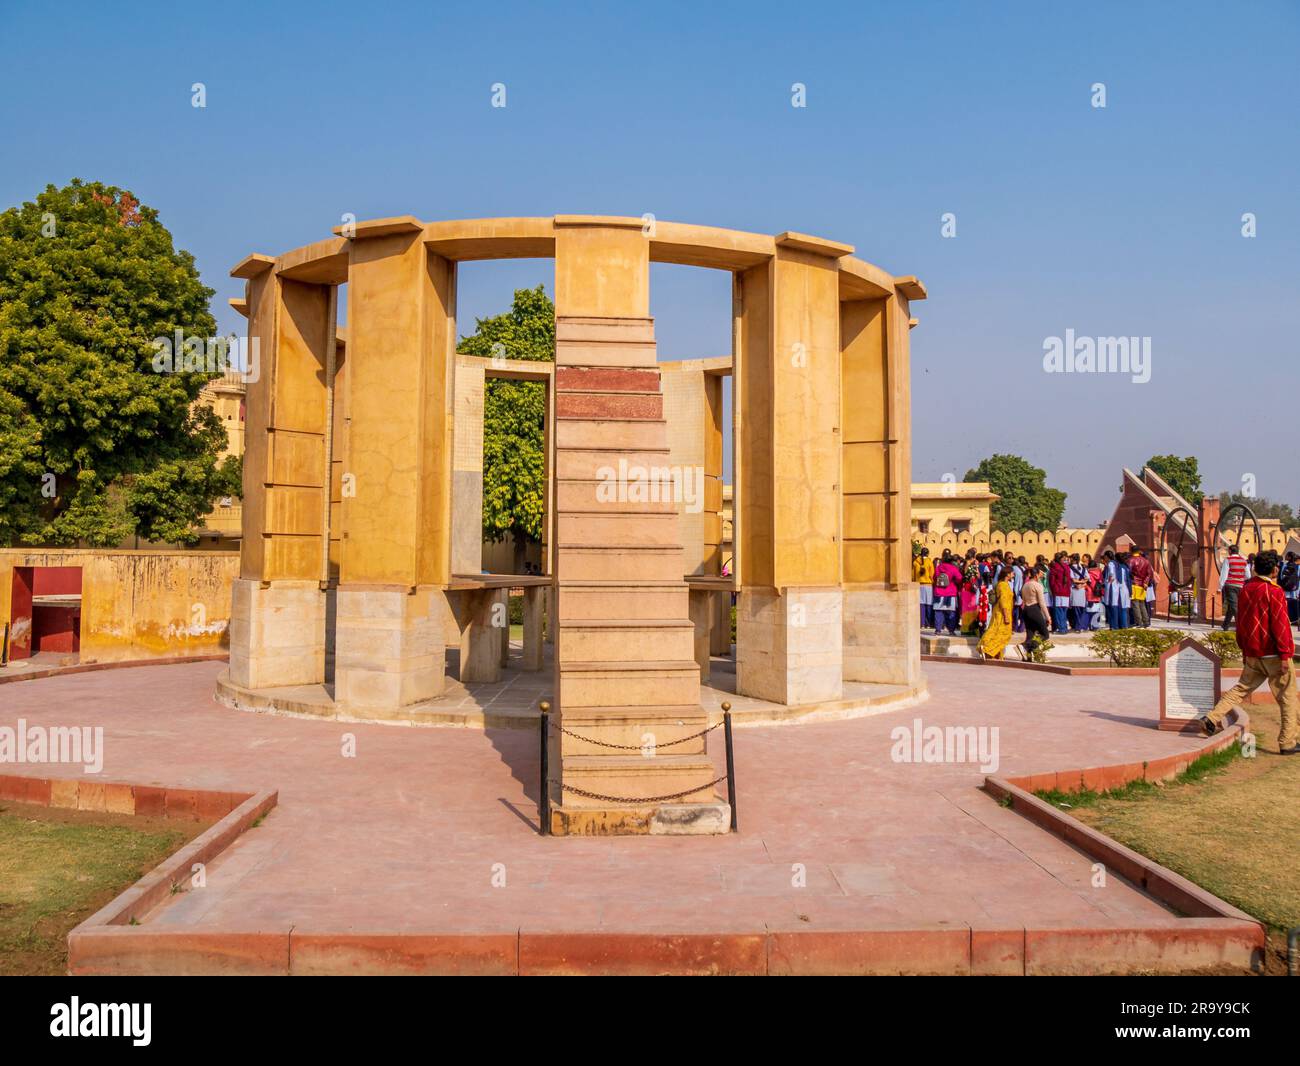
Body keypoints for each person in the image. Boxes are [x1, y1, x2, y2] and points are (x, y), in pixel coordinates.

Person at [1202, 550, 1298, 755]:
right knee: (1287, 697)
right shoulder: (1274, 591)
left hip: (1254, 652)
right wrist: (1285, 654)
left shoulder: (1246, 589)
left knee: (1240, 689)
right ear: (1274, 569)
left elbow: (1242, 623)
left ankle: (1211, 718)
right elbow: (1281, 625)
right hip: (1273, 653)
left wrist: (1245, 650)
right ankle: (1287, 742)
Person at [978, 569, 1015, 659]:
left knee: (995, 631)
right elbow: (1003, 601)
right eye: (1012, 573)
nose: (1013, 574)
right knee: (1004, 634)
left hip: (999, 611)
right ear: (1007, 574)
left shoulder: (1001, 584)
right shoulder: (1003, 585)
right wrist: (1006, 616)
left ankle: (994, 654)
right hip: (1002, 612)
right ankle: (987, 648)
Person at [1018, 565, 1051, 658]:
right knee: (1045, 634)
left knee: (1030, 635)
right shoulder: (1037, 585)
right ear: (1036, 575)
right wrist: (1048, 617)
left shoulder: (1025, 585)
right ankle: (1026, 646)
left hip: (1026, 610)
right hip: (1034, 609)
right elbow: (1042, 603)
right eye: (1040, 573)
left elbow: (1023, 600)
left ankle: (1029, 655)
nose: (1042, 575)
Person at [1219, 545, 1249, 630]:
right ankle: (1225, 625)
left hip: (1230, 585)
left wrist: (1220, 587)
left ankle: (1240, 625)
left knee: (1234, 606)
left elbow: (1224, 574)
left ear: (1230, 551)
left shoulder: (1228, 560)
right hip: (1240, 585)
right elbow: (1248, 575)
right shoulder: (1244, 561)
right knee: (1232, 606)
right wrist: (1240, 578)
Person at [932, 551, 962, 634]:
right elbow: (959, 578)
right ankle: (951, 630)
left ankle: (938, 630)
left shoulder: (938, 568)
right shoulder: (953, 568)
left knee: (938, 612)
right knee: (951, 613)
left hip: (939, 592)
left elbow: (934, 577)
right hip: (950, 593)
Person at [1129, 546, 1153, 628]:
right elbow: (1149, 573)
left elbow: (1128, 572)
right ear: (1139, 551)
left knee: (1135, 604)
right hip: (1142, 585)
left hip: (1134, 584)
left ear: (1131, 551)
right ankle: (1146, 621)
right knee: (1142, 604)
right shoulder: (1146, 561)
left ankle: (1139, 622)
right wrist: (1146, 582)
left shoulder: (1131, 560)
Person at [914, 547, 935, 630]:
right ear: (927, 553)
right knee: (928, 604)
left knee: (921, 604)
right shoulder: (929, 562)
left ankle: (922, 623)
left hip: (919, 585)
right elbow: (931, 575)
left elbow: (913, 575)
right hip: (928, 585)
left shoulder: (915, 562)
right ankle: (928, 623)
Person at [1068, 553, 1088, 631]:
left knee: (1075, 609)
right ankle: (1080, 626)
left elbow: (1073, 579)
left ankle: (1077, 626)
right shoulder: (1083, 568)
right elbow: (1087, 578)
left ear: (1073, 559)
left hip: (1075, 589)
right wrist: (1082, 583)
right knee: (1081, 609)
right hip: (1082, 590)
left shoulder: (1070, 568)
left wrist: (1078, 583)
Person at [1280, 551, 1300, 626]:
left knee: (1287, 605)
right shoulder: (1298, 566)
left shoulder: (1285, 566)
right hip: (1296, 589)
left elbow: (1282, 577)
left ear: (1289, 557)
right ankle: (1296, 620)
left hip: (1286, 588)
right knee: (1296, 605)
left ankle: (1288, 619)